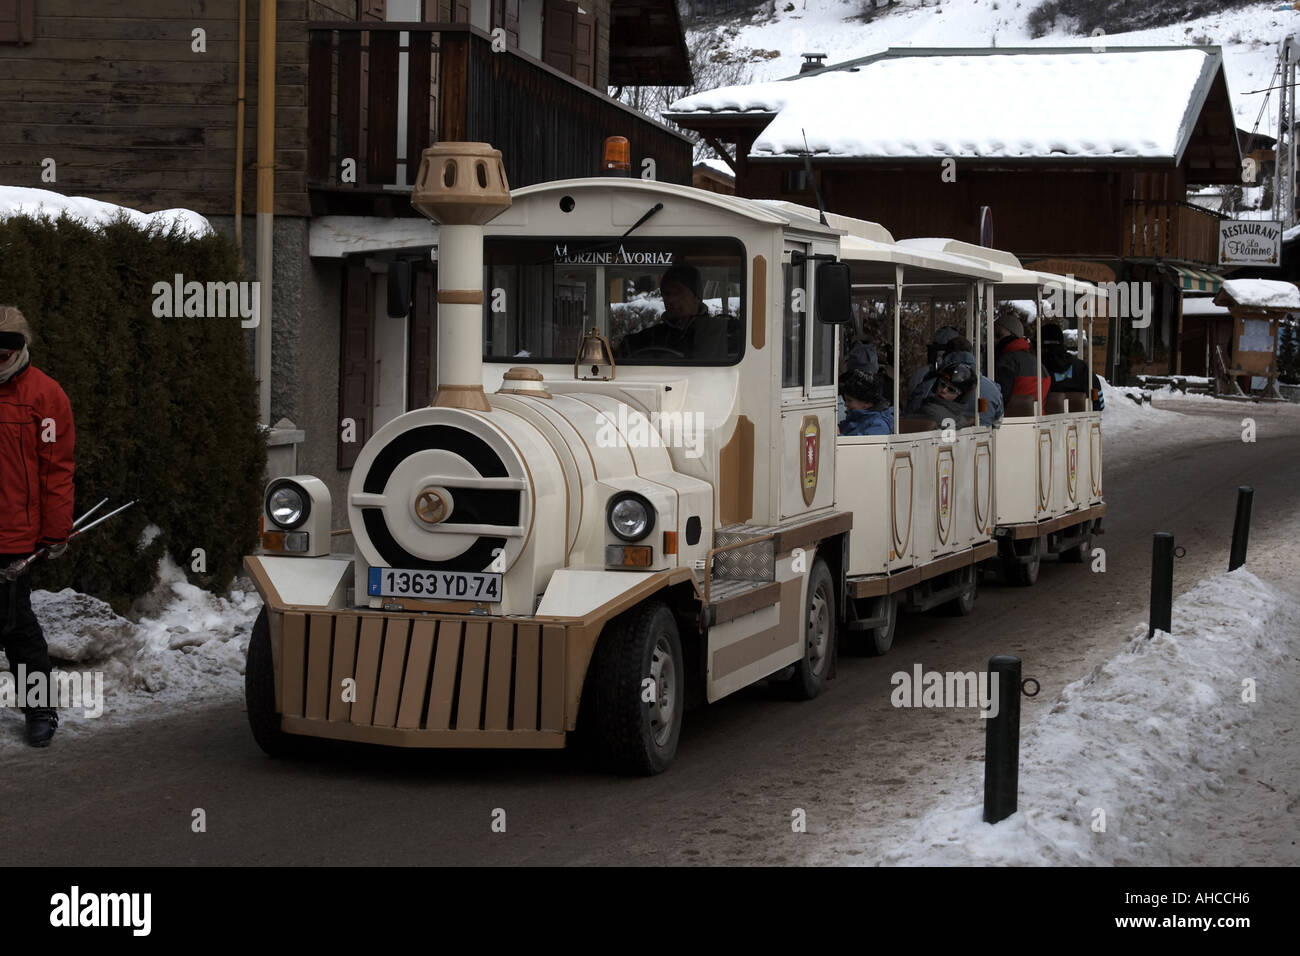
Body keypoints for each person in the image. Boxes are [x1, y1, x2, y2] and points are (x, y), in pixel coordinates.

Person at [0, 305, 75, 748]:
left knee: (16, 628)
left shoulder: (45, 397)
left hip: (14, 536)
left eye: (5, 349)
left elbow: (57, 469)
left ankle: (40, 710)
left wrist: (55, 531)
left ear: (21, 347)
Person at [616, 264, 735, 360]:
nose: (671, 300)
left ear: (696, 297)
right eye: (666, 294)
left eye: (679, 292)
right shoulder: (650, 337)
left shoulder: (722, 333)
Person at [906, 332, 1003, 426]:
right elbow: (997, 421)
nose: (944, 390)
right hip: (985, 440)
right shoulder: (992, 388)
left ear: (945, 355)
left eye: (951, 390)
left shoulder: (930, 385)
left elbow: (911, 417)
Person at [1040, 322, 1104, 409]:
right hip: (1082, 420)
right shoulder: (1081, 368)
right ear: (1062, 342)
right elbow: (1098, 402)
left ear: (1040, 345)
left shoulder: (1037, 368)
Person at [993, 312, 1050, 408]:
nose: (994, 340)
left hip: (1009, 419)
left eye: (998, 335)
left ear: (1013, 335)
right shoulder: (1039, 363)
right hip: (1037, 419)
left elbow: (999, 399)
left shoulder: (1005, 362)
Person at [916, 358, 978, 430]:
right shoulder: (930, 409)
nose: (943, 390)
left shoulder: (932, 410)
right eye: (942, 384)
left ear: (961, 396)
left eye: (951, 389)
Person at [838, 368, 894, 436]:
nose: (845, 404)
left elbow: (859, 445)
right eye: (845, 400)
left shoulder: (878, 426)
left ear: (867, 403)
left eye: (849, 400)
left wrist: (838, 437)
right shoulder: (854, 418)